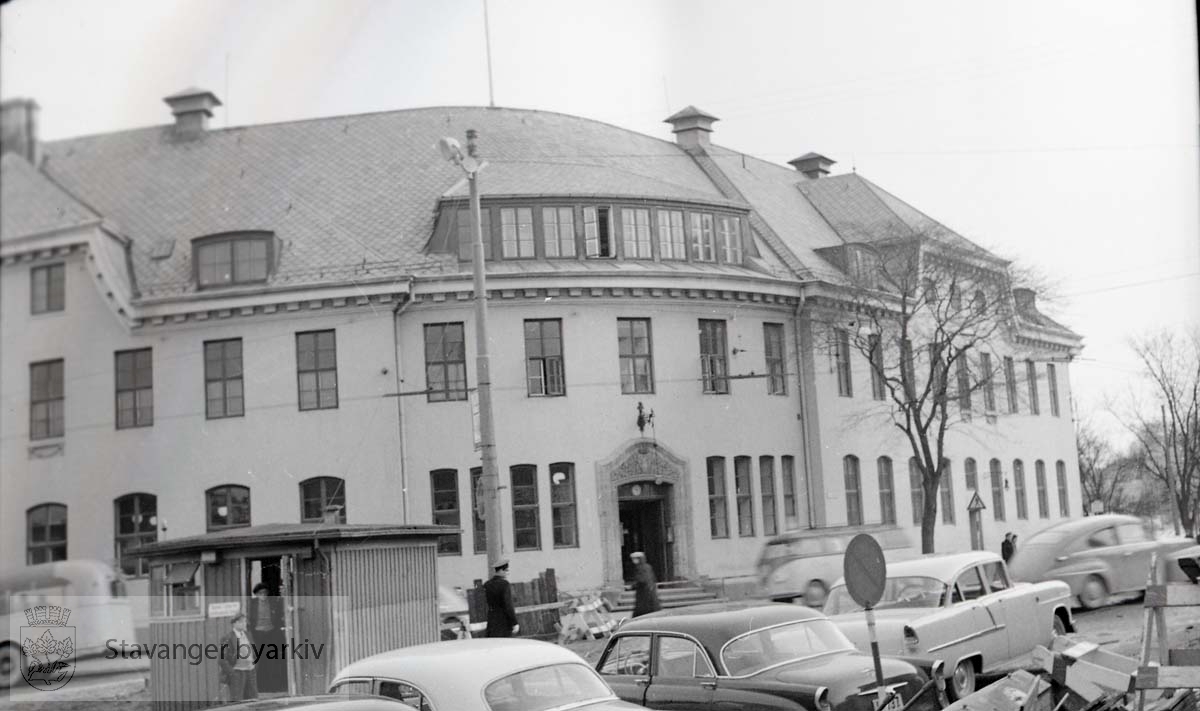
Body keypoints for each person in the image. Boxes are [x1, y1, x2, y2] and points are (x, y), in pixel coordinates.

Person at [248, 583, 285, 693]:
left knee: (272, 660)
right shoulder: (252, 603)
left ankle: (273, 686)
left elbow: (279, 616)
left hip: (271, 633)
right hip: (258, 634)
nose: (263, 595)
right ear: (256, 594)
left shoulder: (273, 602)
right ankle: (261, 687)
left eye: (265, 593)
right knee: (260, 660)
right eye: (260, 593)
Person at [219, 612, 258, 702]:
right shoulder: (227, 638)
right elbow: (221, 659)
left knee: (253, 700)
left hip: (250, 671)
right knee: (237, 701)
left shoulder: (248, 635)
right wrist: (232, 673)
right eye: (241, 622)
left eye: (245, 621)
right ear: (234, 623)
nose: (244, 624)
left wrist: (254, 665)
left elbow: (254, 652)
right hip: (237, 672)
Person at [484, 559, 519, 638]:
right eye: (506, 571)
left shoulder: (487, 584)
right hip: (503, 622)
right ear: (500, 571)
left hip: (491, 620)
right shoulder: (504, 584)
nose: (507, 573)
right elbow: (508, 605)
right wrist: (514, 622)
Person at [630, 552, 661, 617]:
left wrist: (632, 586)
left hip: (644, 594)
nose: (633, 560)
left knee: (641, 612)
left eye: (634, 559)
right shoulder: (648, 566)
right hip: (650, 593)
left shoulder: (640, 568)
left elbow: (641, 580)